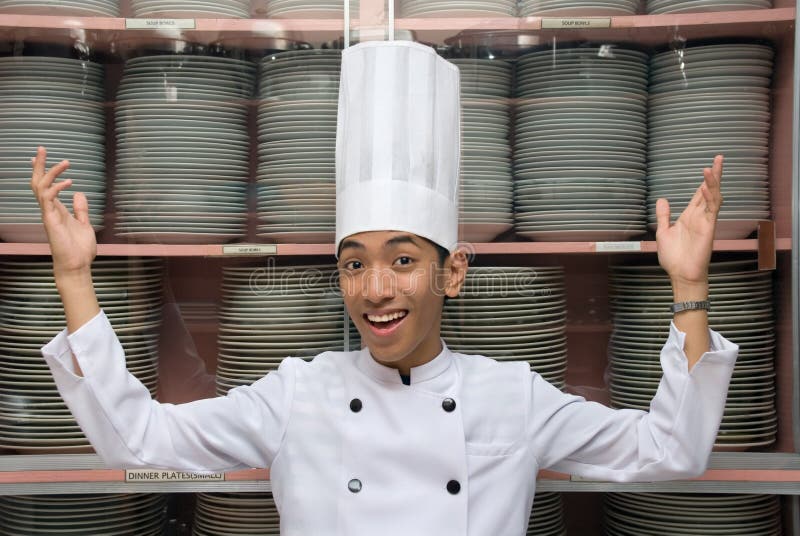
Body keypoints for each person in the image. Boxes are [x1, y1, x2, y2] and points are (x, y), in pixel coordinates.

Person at [32, 40, 737, 536]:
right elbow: (139, 437)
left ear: (453, 272)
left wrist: (690, 285)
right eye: (353, 263)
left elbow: (671, 450)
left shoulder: (513, 397)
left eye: (403, 261)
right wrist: (72, 275)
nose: (374, 289)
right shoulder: (296, 392)